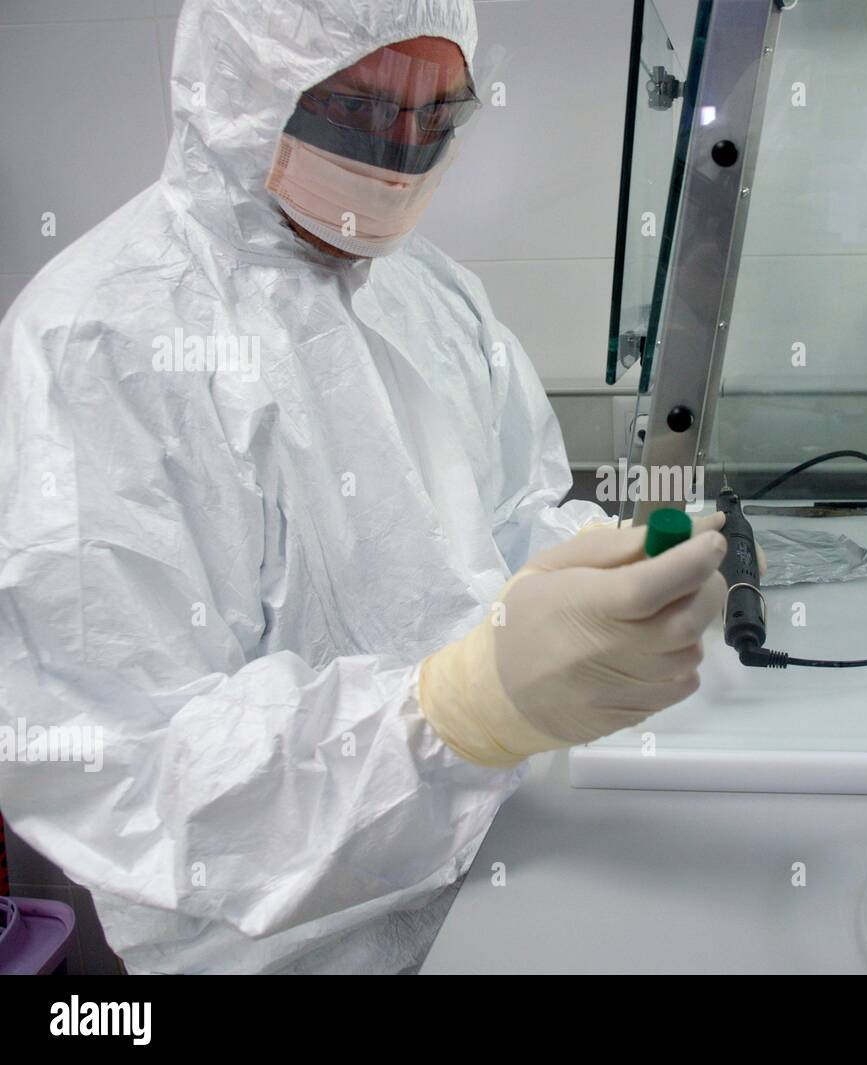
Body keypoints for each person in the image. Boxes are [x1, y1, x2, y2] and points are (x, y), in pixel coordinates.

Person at [0, 0, 725, 974]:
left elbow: (514, 519)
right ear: (243, 87)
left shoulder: (426, 290)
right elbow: (127, 769)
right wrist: (459, 711)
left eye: (436, 119)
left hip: (502, 870)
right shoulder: (96, 343)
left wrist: (616, 587)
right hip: (285, 952)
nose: (399, 157)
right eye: (361, 113)